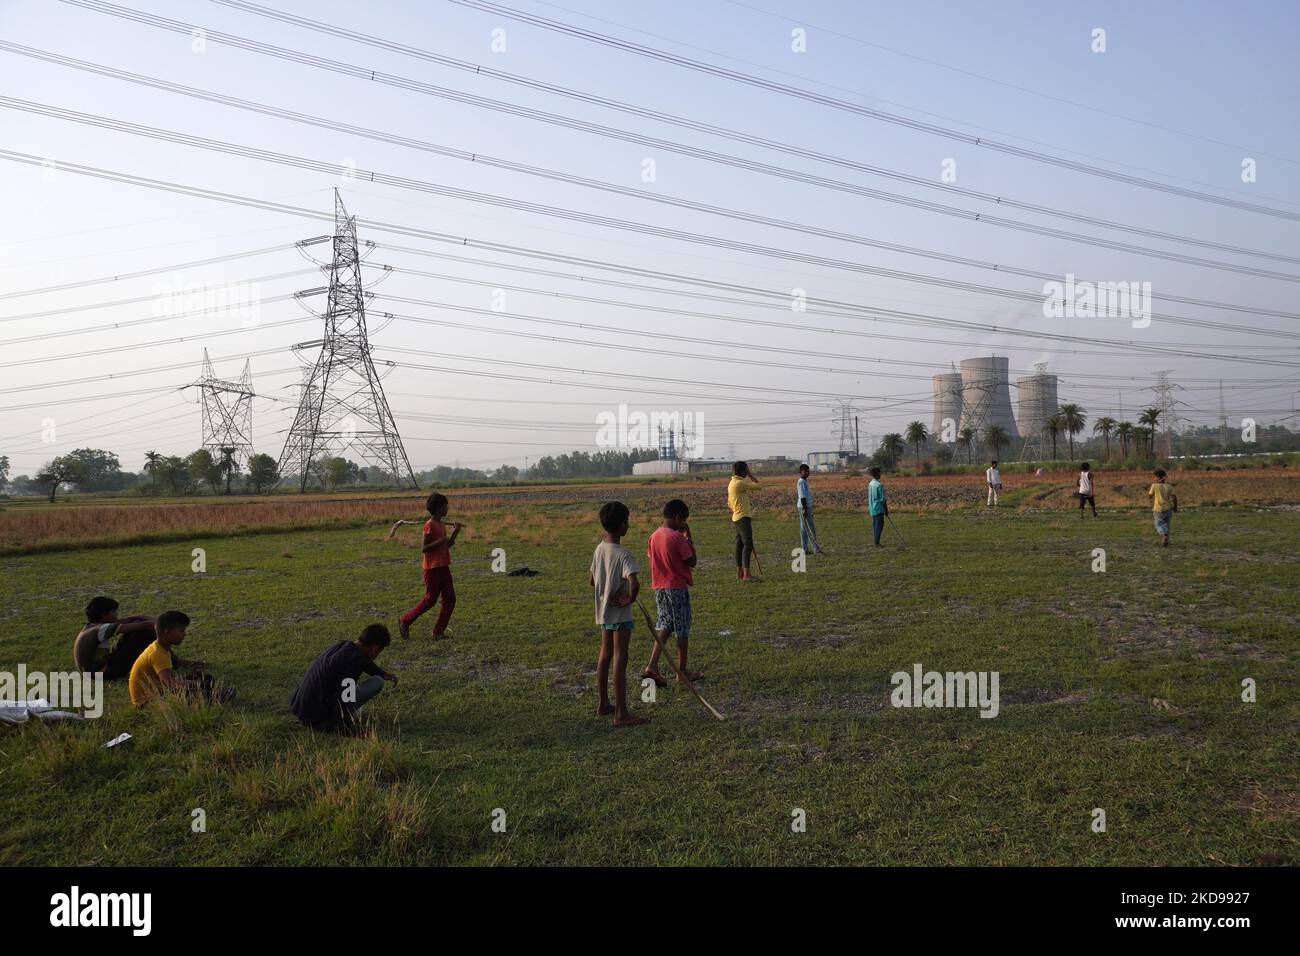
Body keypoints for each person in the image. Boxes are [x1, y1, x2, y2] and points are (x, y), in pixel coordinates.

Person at [589, 501, 647, 727]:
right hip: (621, 616)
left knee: (605, 656)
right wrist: (629, 598)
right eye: (628, 520)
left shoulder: (599, 549)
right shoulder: (625, 554)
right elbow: (634, 583)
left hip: (603, 613)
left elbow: (592, 579)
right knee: (620, 659)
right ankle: (621, 714)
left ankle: (603, 703)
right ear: (623, 524)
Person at [290, 624, 397, 734]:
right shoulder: (355, 662)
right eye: (380, 651)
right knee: (377, 682)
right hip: (317, 716)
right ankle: (329, 720)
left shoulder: (344, 645)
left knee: (377, 678)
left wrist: (382, 673)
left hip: (301, 707)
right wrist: (345, 729)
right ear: (375, 648)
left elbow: (364, 661)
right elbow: (344, 696)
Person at [643, 499, 701, 688]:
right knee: (682, 629)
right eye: (683, 521)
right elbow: (692, 561)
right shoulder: (677, 538)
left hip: (660, 586)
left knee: (665, 624)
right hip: (676, 587)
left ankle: (652, 666)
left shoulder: (654, 535)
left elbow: (652, 556)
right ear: (678, 518)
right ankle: (682, 672)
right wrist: (688, 537)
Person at [128, 610, 233, 707]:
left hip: (154, 696)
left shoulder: (160, 648)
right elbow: (171, 684)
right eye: (181, 631)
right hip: (146, 704)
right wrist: (197, 685)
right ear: (167, 632)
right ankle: (213, 699)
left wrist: (192, 680)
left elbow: (169, 677)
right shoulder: (158, 653)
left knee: (204, 678)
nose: (184, 634)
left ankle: (210, 696)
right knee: (196, 685)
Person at [399, 492, 460, 640]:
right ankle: (405, 621)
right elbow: (424, 548)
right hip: (432, 569)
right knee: (431, 600)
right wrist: (439, 541)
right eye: (446, 506)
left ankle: (438, 632)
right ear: (439, 508)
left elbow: (447, 545)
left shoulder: (441, 524)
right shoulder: (429, 525)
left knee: (450, 599)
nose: (448, 509)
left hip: (443, 566)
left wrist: (455, 533)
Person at [72, 597, 156, 680]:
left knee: (137, 625)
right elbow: (145, 625)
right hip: (99, 672)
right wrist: (163, 623)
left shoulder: (92, 627)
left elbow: (133, 619)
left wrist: (149, 619)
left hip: (93, 672)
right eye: (113, 612)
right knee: (140, 632)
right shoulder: (102, 629)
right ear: (104, 615)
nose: (116, 614)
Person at [728, 460, 761, 581]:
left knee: (739, 544)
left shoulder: (732, 483)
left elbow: (729, 503)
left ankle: (739, 572)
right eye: (746, 470)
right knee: (748, 544)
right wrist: (751, 475)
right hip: (743, 518)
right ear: (743, 471)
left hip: (737, 517)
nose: (747, 473)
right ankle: (746, 574)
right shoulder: (739, 483)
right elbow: (758, 486)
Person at [796, 463, 823, 555]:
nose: (807, 473)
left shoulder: (805, 481)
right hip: (804, 507)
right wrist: (805, 509)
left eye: (808, 471)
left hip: (805, 507)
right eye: (805, 471)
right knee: (811, 528)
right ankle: (816, 548)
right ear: (800, 472)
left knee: (804, 529)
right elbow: (802, 496)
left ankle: (805, 549)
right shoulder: (801, 482)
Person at [1147, 468, 1178, 547]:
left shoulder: (1154, 486)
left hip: (1158, 509)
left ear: (1158, 477)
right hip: (1168, 509)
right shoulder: (1169, 486)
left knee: (1159, 524)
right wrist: (1175, 508)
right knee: (1167, 525)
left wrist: (1153, 487)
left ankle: (1165, 536)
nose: (1154, 478)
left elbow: (1150, 496)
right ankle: (1167, 539)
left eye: (1155, 477)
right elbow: (1174, 497)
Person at [868, 467, 888, 546]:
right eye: (879, 473)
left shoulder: (870, 483)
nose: (880, 474)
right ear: (876, 474)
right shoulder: (879, 485)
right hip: (879, 508)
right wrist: (886, 509)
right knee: (879, 525)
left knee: (875, 525)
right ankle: (877, 542)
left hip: (872, 508)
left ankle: (876, 541)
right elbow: (883, 499)